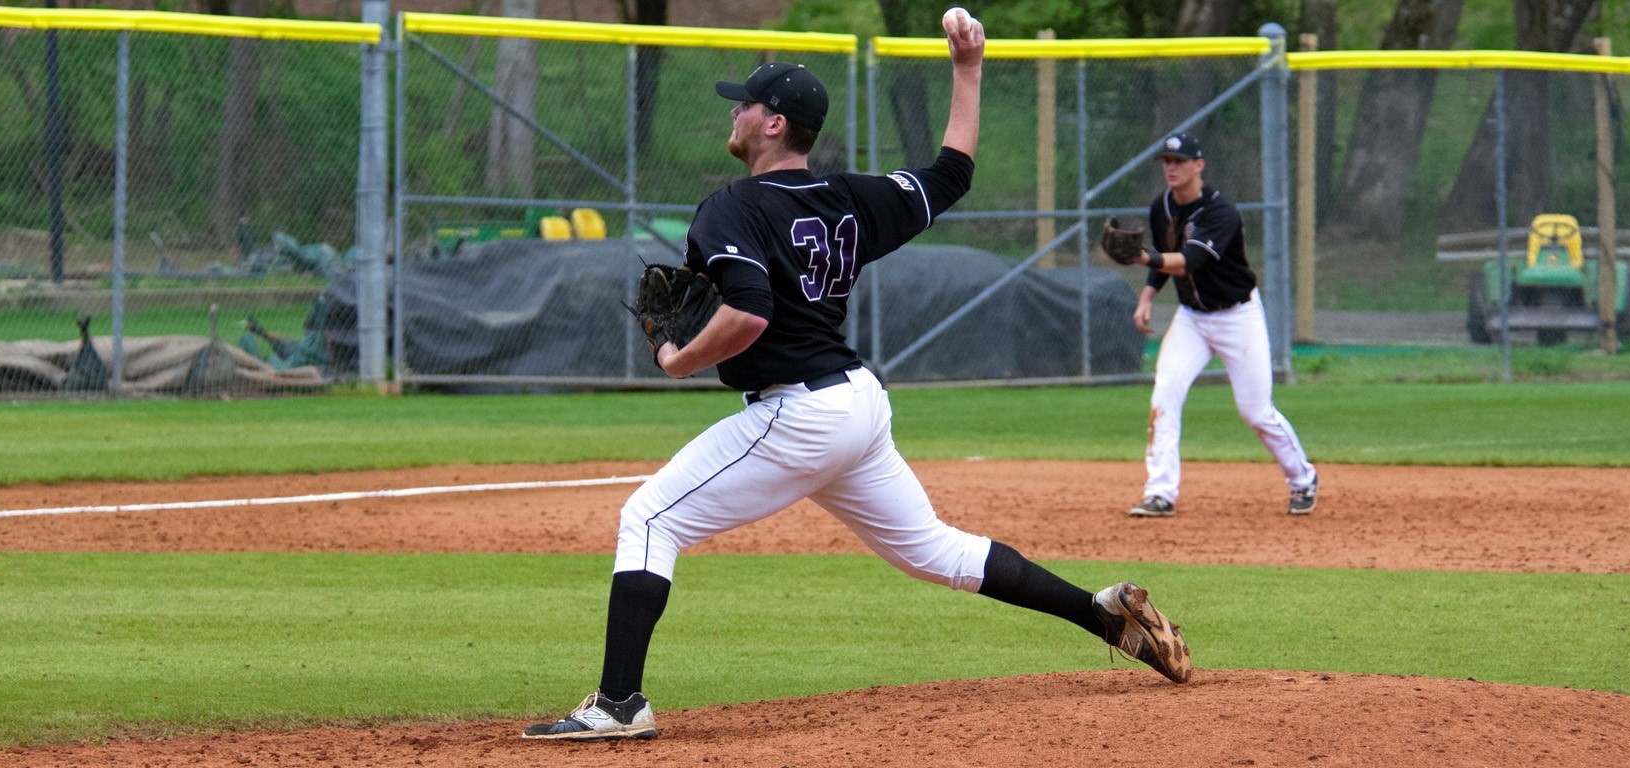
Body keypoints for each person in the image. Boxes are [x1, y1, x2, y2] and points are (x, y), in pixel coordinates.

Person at [522, 8, 1192, 743]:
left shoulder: (730, 209)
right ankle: (1099, 612)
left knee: (649, 518)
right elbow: (952, 173)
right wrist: (967, 68)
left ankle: (618, 705)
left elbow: (747, 314)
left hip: (798, 415)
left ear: (773, 124)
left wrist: (677, 359)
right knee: (935, 551)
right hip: (857, 406)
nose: (736, 111)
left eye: (745, 102)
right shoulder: (849, 197)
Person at [1116, 133, 1319, 518]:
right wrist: (1146, 295)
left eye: (1179, 161)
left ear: (1199, 165)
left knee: (1256, 411)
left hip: (1237, 316)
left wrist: (1144, 258)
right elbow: (1165, 261)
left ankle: (1303, 479)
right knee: (1164, 395)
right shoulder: (1161, 207)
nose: (1171, 168)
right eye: (1166, 162)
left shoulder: (1221, 212)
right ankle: (1160, 493)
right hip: (1192, 318)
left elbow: (1188, 261)